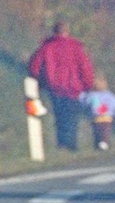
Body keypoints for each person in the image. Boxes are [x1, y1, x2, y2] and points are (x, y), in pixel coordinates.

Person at [28, 21, 95, 150]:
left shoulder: (47, 47)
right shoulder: (76, 48)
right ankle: (72, 144)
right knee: (72, 117)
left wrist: (39, 81)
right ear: (67, 32)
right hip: (74, 88)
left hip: (55, 88)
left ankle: (62, 143)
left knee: (59, 116)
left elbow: (34, 66)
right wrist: (88, 84)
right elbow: (85, 67)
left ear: (54, 32)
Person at [78, 72, 115, 151]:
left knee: (98, 134)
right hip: (107, 119)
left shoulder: (92, 95)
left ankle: (100, 146)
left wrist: (81, 95)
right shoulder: (111, 96)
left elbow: (84, 101)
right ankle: (104, 146)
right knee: (105, 134)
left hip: (96, 119)